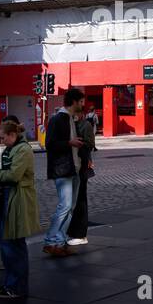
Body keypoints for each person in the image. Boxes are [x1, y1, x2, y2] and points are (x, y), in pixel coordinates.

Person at [0, 121, 39, 299]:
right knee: (8, 244)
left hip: (17, 198)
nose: (1, 141)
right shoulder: (13, 149)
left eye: (3, 137)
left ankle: (17, 287)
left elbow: (14, 175)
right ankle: (10, 283)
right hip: (10, 197)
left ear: (12, 135)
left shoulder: (22, 149)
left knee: (14, 245)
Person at [43, 87, 85, 258]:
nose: (83, 104)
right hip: (62, 169)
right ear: (74, 102)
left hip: (73, 168)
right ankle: (51, 240)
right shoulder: (57, 119)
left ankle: (59, 242)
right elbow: (50, 144)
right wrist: (70, 143)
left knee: (70, 207)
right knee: (65, 206)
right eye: (81, 101)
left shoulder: (70, 119)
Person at [66, 105, 97, 247]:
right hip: (73, 164)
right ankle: (72, 231)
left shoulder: (86, 125)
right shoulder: (71, 124)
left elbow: (90, 144)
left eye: (77, 112)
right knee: (73, 200)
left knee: (80, 199)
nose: (75, 115)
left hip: (82, 164)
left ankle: (80, 233)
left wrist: (80, 142)